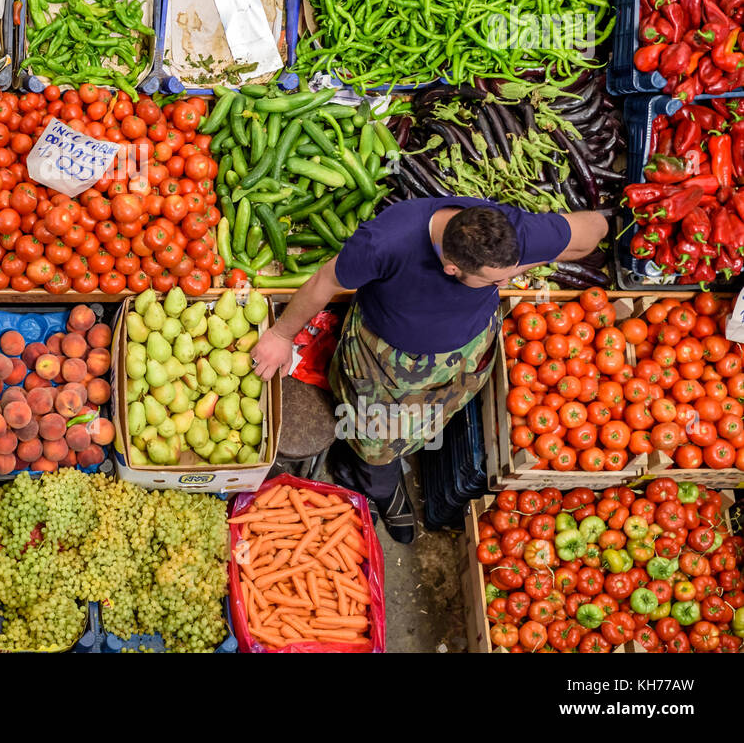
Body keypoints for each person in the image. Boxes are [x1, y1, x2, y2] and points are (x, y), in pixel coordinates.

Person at [251, 197, 607, 544]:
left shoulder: (507, 232)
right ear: (451, 268)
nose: (503, 282)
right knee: (373, 433)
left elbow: (595, 229)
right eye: (490, 280)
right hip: (387, 360)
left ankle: (381, 464)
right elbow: (323, 282)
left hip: (464, 352)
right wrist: (281, 334)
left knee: (428, 421)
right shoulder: (388, 240)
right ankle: (376, 481)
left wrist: (520, 266)